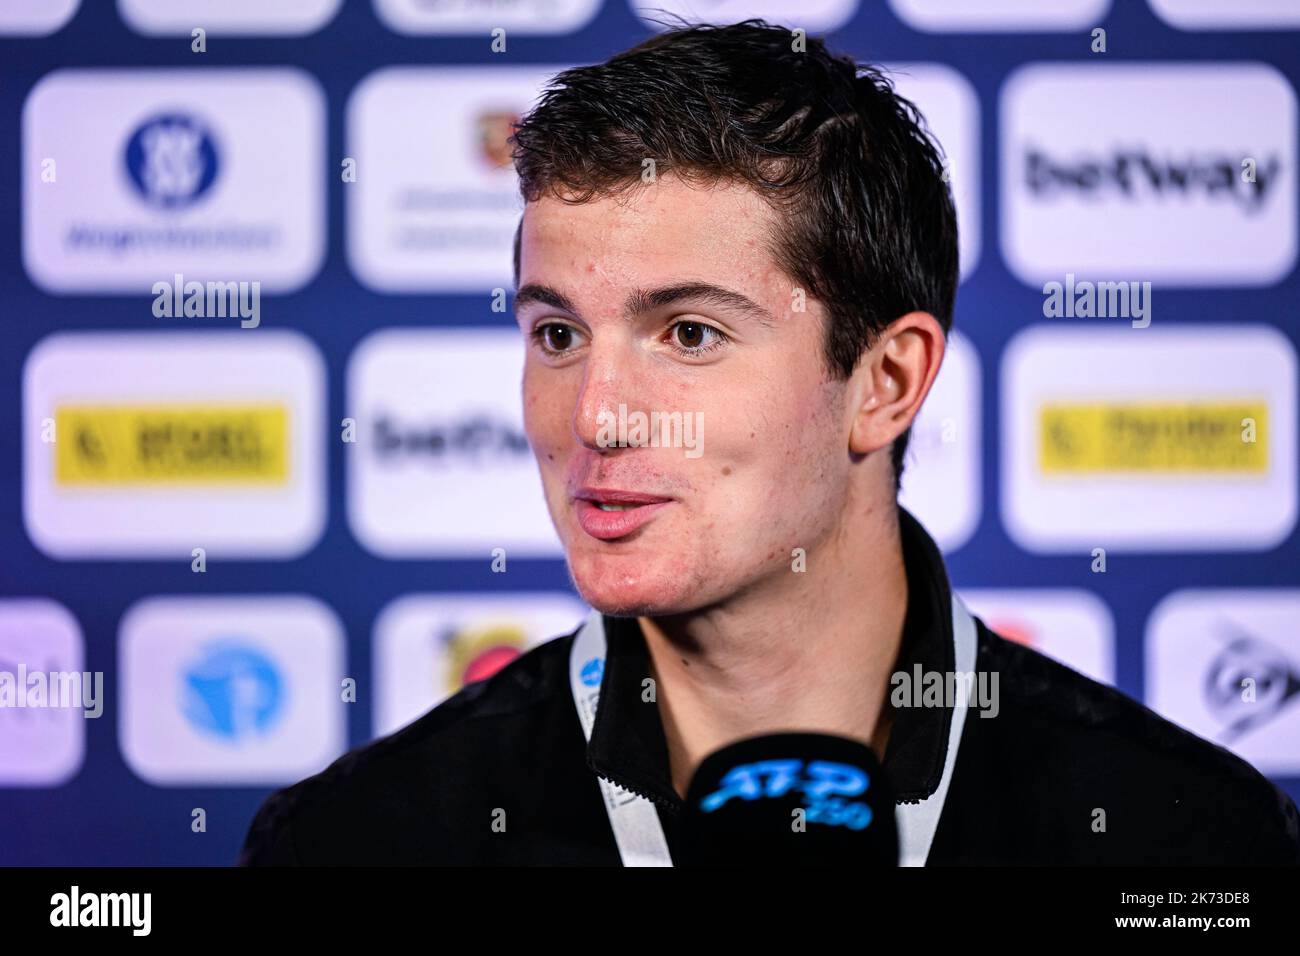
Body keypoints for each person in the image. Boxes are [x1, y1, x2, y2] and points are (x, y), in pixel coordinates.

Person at [239, 19, 1299, 865]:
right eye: (557, 332)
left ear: (885, 383)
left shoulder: (1183, 838)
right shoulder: (361, 840)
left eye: (689, 332)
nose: (597, 415)